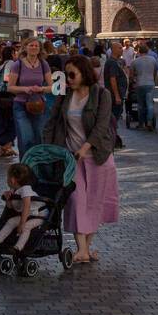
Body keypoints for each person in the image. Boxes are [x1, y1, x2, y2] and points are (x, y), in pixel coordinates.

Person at [43, 54, 119, 263]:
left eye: (72, 74)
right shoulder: (65, 95)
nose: (68, 79)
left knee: (95, 203)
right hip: (71, 157)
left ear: (84, 73)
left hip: (98, 156)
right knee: (76, 201)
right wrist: (48, 148)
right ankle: (82, 250)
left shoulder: (102, 94)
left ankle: (86, 249)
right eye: (66, 75)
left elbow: (101, 126)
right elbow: (52, 122)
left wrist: (85, 148)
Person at [0, 163, 47, 254]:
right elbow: (10, 207)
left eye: (7, 177)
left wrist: (22, 223)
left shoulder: (25, 190)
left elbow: (27, 206)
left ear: (13, 180)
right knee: (11, 221)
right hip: (29, 214)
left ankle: (18, 247)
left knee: (25, 226)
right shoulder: (13, 190)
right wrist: (8, 199)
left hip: (40, 215)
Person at [7, 38, 53, 159]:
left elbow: (52, 87)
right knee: (26, 137)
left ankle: (38, 167)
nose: (33, 48)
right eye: (31, 45)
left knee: (39, 137)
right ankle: (26, 167)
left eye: (36, 46)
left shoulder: (44, 64)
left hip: (39, 105)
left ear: (39, 49)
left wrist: (41, 89)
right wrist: (25, 89)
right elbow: (10, 87)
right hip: (21, 105)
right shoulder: (18, 64)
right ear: (25, 47)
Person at [103, 40, 128, 148]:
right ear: (113, 49)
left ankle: (113, 139)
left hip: (116, 95)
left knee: (114, 118)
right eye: (119, 48)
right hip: (114, 96)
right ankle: (111, 139)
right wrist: (117, 95)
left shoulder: (115, 62)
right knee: (113, 118)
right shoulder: (112, 63)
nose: (121, 49)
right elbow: (112, 79)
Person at [131, 41, 158, 130]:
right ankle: (149, 122)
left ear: (139, 51)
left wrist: (133, 81)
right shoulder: (153, 59)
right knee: (150, 104)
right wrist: (153, 80)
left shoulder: (135, 61)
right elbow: (154, 72)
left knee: (141, 104)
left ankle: (141, 123)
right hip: (150, 83)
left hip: (140, 84)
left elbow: (131, 75)